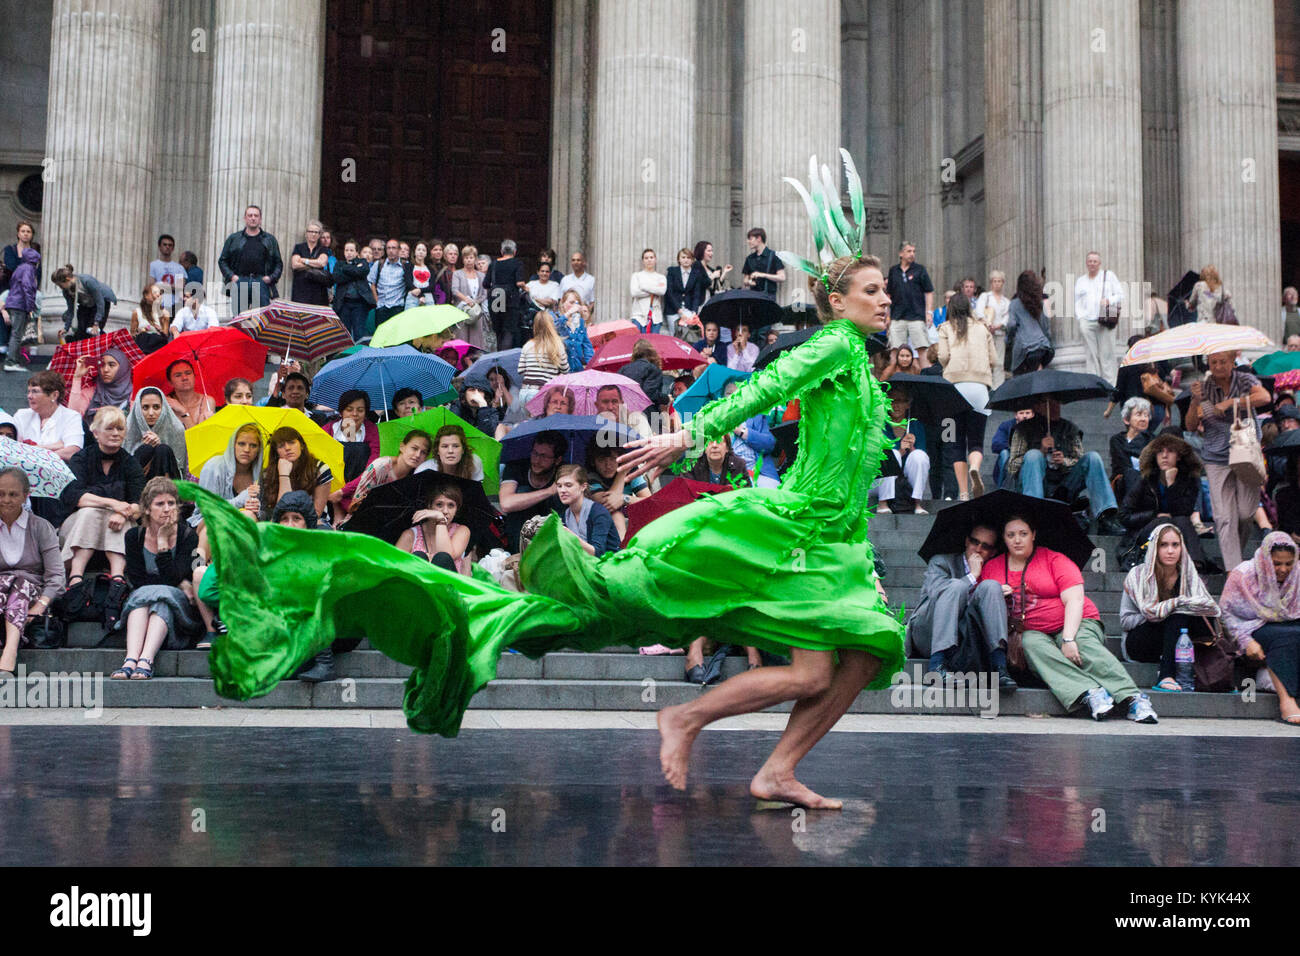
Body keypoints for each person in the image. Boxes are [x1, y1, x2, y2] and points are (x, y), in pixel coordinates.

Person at [189, 180, 905, 810]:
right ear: (836, 301)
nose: (884, 298)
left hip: (831, 540)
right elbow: (762, 387)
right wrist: (683, 437)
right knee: (699, 622)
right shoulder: (837, 343)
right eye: (870, 289)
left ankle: (769, 765)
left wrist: (858, 549)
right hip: (786, 529)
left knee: (851, 656)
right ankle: (687, 721)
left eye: (884, 290)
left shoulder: (866, 375)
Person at [980, 514, 1157, 723]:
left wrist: (1068, 638)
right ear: (1004, 538)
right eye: (1011, 535)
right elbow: (985, 604)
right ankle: (1090, 693)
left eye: (1023, 534)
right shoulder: (993, 568)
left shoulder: (1054, 559)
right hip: (1031, 631)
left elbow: (1074, 600)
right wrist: (996, 594)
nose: (1017, 540)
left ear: (1033, 535)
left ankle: (1132, 697)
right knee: (1029, 644)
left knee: (1082, 644)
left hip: (1077, 622)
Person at [58, 407, 146, 629]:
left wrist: (122, 511)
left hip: (118, 526)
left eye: (120, 428)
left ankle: (117, 578)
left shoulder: (129, 462)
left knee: (123, 519)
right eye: (110, 428)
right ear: (95, 432)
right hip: (78, 524)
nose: (116, 433)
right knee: (90, 511)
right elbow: (74, 496)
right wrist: (113, 503)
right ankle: (76, 576)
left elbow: (139, 503)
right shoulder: (81, 458)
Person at [1184, 350, 1272, 569]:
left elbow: (1264, 397)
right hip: (1216, 458)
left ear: (1233, 362)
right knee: (1224, 517)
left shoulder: (1244, 379)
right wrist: (1195, 399)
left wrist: (1232, 403)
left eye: (1223, 361)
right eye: (1213, 362)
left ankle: (1236, 557)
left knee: (1244, 514)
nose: (1218, 366)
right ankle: (1233, 570)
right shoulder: (1203, 387)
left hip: (1245, 453)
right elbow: (1190, 425)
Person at [110, 478, 202, 680]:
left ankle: (143, 659)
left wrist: (162, 543)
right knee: (154, 599)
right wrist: (175, 582)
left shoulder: (188, 536)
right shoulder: (134, 536)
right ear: (147, 509)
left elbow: (176, 577)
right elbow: (137, 579)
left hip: (180, 611)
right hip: (145, 604)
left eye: (171, 503)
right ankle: (134, 660)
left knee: (161, 596)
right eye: (160, 504)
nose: (167, 509)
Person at [907, 522, 1017, 690]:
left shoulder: (992, 570)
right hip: (928, 631)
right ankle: (936, 667)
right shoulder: (941, 561)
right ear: (966, 541)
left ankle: (999, 667)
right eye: (975, 542)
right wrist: (972, 576)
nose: (978, 549)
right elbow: (936, 594)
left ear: (993, 552)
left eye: (985, 546)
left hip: (963, 639)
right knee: (955, 586)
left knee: (992, 587)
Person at [1119, 523, 1221, 692]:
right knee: (1177, 615)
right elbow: (1125, 621)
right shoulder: (1138, 575)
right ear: (1154, 548)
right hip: (1141, 642)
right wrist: (1163, 613)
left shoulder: (1189, 576)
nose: (1170, 551)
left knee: (1187, 615)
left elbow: (1209, 607)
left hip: (1180, 639)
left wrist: (1175, 608)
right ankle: (1166, 675)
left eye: (1175, 545)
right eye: (1163, 545)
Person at [1006, 398, 1126, 535]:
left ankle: (1106, 515)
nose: (1055, 407)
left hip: (1063, 486)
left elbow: (1080, 460)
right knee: (1033, 456)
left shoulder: (1070, 429)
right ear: (1037, 407)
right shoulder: (1022, 429)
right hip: (1034, 487)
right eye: (1049, 403)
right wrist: (1040, 452)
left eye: (1057, 403)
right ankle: (1035, 515)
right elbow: (1012, 467)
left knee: (1093, 457)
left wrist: (1064, 461)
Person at [1219, 532, 1300, 725]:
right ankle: (1287, 702)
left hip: (1289, 623)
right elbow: (1226, 614)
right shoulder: (1243, 574)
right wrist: (1246, 641)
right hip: (1251, 628)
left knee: (1292, 633)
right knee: (1286, 636)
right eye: (1276, 563)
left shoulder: (1297, 575)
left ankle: (1269, 677)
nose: (1283, 569)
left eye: (1289, 563)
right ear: (1265, 559)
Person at [0, 467, 64, 680]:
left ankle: (9, 651)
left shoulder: (40, 527)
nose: (6, 500)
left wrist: (41, 605)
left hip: (32, 592)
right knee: (8, 583)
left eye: (13, 494)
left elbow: (56, 576)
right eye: (1, 494)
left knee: (20, 583)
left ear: (25, 496)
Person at [1120, 432, 1212, 569]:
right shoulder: (1146, 480)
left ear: (1179, 456)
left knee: (1181, 519)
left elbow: (1184, 511)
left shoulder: (1189, 480)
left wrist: (1171, 484)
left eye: (1170, 451)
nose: (1164, 456)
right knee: (1165, 521)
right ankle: (1195, 563)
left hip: (1177, 530)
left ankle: (1195, 564)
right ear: (1154, 456)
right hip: (1145, 533)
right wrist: (1153, 516)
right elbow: (1123, 515)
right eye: (1160, 452)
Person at [936, 292, 997, 499]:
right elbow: (994, 359)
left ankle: (963, 492)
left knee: (954, 443)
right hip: (980, 390)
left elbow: (942, 356)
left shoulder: (945, 328)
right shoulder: (982, 329)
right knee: (976, 441)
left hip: (953, 391)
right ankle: (975, 467)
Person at [337, 429, 433, 516]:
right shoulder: (381, 466)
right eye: (414, 448)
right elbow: (356, 504)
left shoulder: (417, 476)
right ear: (402, 446)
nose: (417, 455)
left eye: (423, 452)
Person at [217, 205, 283, 313]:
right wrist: (232, 277)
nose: (253, 218)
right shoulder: (234, 238)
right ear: (245, 218)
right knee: (240, 320)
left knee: (260, 319)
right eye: (250, 215)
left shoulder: (270, 240)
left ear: (260, 219)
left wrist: (270, 278)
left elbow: (278, 263)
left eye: (256, 216)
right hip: (241, 281)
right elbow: (223, 260)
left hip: (260, 282)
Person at [397, 482, 473, 574]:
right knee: (419, 556)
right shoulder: (410, 535)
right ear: (430, 506)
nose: (445, 511)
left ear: (456, 509)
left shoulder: (461, 530)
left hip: (448, 585)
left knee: (442, 558)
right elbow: (395, 567)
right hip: (418, 584)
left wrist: (440, 521)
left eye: (451, 505)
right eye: (439, 505)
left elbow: (446, 557)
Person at [260, 426, 332, 521]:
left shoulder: (320, 468)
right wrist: (284, 475)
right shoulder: (268, 474)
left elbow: (317, 513)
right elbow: (280, 511)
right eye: (281, 446)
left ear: (301, 445)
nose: (287, 448)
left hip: (315, 522)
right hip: (282, 522)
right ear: (276, 452)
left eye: (292, 442)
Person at [875, 390, 929, 515]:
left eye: (900, 401)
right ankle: (883, 503)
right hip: (879, 481)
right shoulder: (880, 425)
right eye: (892, 401)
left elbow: (922, 460)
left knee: (919, 455)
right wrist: (901, 451)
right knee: (890, 453)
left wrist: (912, 448)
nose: (896, 405)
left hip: (905, 480)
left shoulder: (915, 425)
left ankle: (917, 503)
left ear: (908, 405)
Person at [1074, 251, 1124, 382]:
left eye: (1095, 261)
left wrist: (1109, 300)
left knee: (1107, 354)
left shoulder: (1109, 276)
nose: (1092, 264)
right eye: (1090, 261)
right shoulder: (1081, 281)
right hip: (1087, 321)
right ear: (1086, 263)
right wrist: (1081, 318)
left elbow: (1120, 295)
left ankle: (1110, 384)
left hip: (1105, 320)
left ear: (1099, 263)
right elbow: (1077, 302)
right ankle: (1094, 383)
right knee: (1091, 354)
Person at [14, 370, 83, 462]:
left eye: (35, 391)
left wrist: (37, 452)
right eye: (29, 391)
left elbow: (73, 451)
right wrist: (56, 446)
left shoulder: (71, 417)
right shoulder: (21, 415)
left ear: (54, 395)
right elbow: (14, 448)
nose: (29, 396)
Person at [585, 443, 651, 539]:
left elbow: (650, 502)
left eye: (613, 459)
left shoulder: (631, 470)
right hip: (599, 522)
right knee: (615, 514)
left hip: (629, 517)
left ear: (620, 458)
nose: (608, 465)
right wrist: (622, 472)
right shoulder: (590, 475)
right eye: (601, 460)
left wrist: (625, 499)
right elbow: (607, 503)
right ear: (593, 462)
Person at [555, 464, 621, 557]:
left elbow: (598, 552)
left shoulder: (599, 512)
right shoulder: (564, 516)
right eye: (559, 486)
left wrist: (570, 536)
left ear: (583, 486)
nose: (562, 490)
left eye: (568, 485)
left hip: (609, 564)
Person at [127, 386, 188, 480]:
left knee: (163, 449)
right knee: (145, 449)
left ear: (163, 408)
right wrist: (143, 447)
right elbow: (122, 467)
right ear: (138, 409)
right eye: (145, 407)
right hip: (136, 483)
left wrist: (160, 444)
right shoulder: (128, 428)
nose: (151, 413)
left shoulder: (176, 428)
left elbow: (180, 467)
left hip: (169, 483)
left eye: (156, 407)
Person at [885, 241, 934, 356]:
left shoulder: (920, 269)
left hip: (917, 316)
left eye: (914, 251)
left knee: (922, 349)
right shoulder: (893, 271)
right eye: (909, 251)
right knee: (895, 351)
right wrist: (887, 316)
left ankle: (925, 374)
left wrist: (929, 313)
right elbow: (889, 295)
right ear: (901, 254)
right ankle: (896, 374)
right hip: (897, 317)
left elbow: (929, 292)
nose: (912, 254)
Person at [324, 389, 378, 485]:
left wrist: (347, 490)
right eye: (349, 410)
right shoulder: (327, 430)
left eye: (360, 410)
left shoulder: (372, 430)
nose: (355, 414)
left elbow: (372, 465)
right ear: (341, 412)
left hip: (361, 486)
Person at [68, 348, 133, 425]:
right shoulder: (90, 393)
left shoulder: (134, 394)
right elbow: (72, 417)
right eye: (102, 365)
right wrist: (77, 378)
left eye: (111, 365)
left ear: (123, 368)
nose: (105, 369)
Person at [517, 311, 570, 406]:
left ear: (535, 326)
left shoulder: (528, 345)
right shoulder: (557, 345)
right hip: (542, 392)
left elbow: (520, 370)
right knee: (544, 421)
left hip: (524, 392)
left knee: (529, 421)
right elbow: (565, 370)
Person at [51, 264, 116, 342]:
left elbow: (100, 302)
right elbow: (71, 310)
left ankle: (108, 341)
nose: (61, 288)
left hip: (101, 301)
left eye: (60, 285)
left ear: (68, 279)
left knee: (91, 331)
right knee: (80, 332)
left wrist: (96, 324)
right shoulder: (66, 291)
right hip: (86, 304)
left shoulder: (87, 281)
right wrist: (66, 328)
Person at [1006, 270, 1053, 374]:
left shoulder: (1014, 304)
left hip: (1024, 348)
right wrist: (1048, 342)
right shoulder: (1040, 302)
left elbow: (1011, 324)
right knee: (1037, 375)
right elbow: (1045, 326)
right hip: (1042, 346)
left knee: (1019, 377)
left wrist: (1008, 339)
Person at [1108, 396, 1154, 499]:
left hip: (1148, 485)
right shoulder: (1117, 440)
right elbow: (1123, 466)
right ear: (1126, 420)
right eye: (1139, 414)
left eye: (1146, 415)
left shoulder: (1153, 440)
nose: (1143, 419)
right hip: (1124, 486)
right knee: (1130, 473)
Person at [331, 239, 376, 342]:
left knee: (359, 333)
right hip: (344, 303)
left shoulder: (362, 262)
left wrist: (346, 269)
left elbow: (363, 271)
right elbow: (337, 278)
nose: (349, 253)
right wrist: (354, 271)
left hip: (359, 304)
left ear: (356, 253)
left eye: (351, 250)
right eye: (346, 250)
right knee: (344, 334)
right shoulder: (339, 264)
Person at [2, 247, 39, 371]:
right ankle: (11, 362)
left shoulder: (20, 268)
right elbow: (27, 287)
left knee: (16, 333)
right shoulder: (29, 269)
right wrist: (30, 306)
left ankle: (14, 361)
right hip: (20, 305)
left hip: (14, 303)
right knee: (17, 334)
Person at [486, 239, 527, 350]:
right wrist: (526, 288)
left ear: (501, 251)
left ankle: (498, 358)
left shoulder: (493, 264)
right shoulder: (517, 263)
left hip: (495, 297)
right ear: (514, 252)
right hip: (510, 298)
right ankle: (503, 359)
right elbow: (519, 283)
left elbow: (485, 284)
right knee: (508, 330)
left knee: (498, 331)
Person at [451, 243, 492, 350]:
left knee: (476, 340)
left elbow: (484, 294)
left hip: (476, 311)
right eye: (466, 258)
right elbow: (454, 290)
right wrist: (466, 300)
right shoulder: (457, 274)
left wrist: (475, 302)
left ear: (475, 259)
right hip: (462, 309)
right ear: (463, 259)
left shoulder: (481, 275)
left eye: (471, 257)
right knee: (461, 337)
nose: (469, 260)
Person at [974, 270, 1011, 388]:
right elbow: (979, 312)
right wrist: (988, 324)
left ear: (1003, 283)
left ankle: (998, 387)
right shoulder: (985, 297)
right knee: (986, 360)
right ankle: (985, 385)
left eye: (999, 281)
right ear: (991, 283)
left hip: (1000, 333)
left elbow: (1007, 317)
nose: (997, 284)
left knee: (999, 362)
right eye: (995, 281)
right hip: (986, 333)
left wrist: (999, 325)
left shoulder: (1006, 301)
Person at [368, 238, 414, 328]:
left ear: (399, 250)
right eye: (388, 248)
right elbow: (371, 283)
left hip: (398, 307)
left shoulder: (406, 265)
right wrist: (377, 301)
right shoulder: (379, 264)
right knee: (380, 338)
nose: (391, 251)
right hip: (382, 306)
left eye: (394, 248)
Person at [417, 424, 485, 482]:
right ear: (438, 450)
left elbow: (476, 492)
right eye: (445, 446)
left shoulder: (474, 462)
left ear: (463, 449)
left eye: (455, 446)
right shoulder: (425, 470)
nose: (450, 451)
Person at [664, 248, 708, 337]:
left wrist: (694, 311)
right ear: (679, 259)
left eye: (688, 257)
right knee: (674, 336)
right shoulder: (672, 271)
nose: (686, 260)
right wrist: (679, 310)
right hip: (673, 310)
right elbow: (669, 293)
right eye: (683, 257)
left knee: (688, 337)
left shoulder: (696, 274)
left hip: (689, 310)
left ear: (692, 260)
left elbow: (696, 294)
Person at [289, 220, 332, 306]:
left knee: (316, 318)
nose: (313, 234)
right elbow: (295, 265)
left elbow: (322, 263)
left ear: (319, 235)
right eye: (311, 231)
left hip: (318, 292)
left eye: (316, 232)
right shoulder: (299, 247)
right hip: (301, 290)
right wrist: (314, 264)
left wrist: (304, 260)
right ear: (306, 233)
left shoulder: (323, 249)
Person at [164, 359, 217, 428]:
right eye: (178, 375)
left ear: (194, 377)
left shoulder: (207, 401)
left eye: (188, 373)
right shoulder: (166, 404)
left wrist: (183, 412)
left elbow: (198, 436)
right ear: (170, 382)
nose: (184, 378)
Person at [552, 289, 594, 371]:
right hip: (561, 368)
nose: (575, 306)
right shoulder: (556, 318)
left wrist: (590, 367)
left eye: (577, 303)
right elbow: (555, 328)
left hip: (577, 367)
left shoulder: (580, 322)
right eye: (571, 303)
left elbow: (586, 346)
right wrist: (568, 313)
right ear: (563, 304)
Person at [686, 435, 751, 485]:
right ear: (704, 448)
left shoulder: (739, 465)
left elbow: (746, 495)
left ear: (727, 448)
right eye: (710, 442)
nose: (714, 445)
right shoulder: (692, 465)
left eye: (719, 441)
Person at [629, 249, 667, 334]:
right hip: (638, 316)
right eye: (646, 258)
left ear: (655, 259)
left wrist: (643, 286)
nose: (649, 260)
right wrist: (654, 290)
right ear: (643, 261)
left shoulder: (661, 277)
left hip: (655, 317)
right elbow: (635, 292)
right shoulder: (636, 276)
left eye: (651, 257)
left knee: (653, 345)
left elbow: (662, 291)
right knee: (638, 344)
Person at [149, 234, 189, 313]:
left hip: (174, 306)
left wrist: (161, 285)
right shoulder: (153, 265)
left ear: (173, 248)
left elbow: (179, 288)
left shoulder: (179, 268)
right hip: (157, 304)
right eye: (165, 245)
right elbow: (151, 286)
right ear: (159, 247)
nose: (167, 247)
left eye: (170, 245)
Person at [740, 227, 785, 297]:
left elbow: (782, 277)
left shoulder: (773, 256)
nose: (748, 241)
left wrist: (763, 275)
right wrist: (749, 282)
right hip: (752, 296)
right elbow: (745, 279)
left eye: (750, 239)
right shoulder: (749, 258)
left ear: (759, 239)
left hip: (768, 297)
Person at [130, 281, 171, 354]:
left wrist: (160, 330)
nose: (158, 295)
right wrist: (140, 332)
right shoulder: (137, 312)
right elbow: (132, 334)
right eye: (154, 292)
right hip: (142, 348)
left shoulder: (164, 313)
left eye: (160, 293)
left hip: (157, 350)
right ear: (146, 295)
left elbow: (166, 335)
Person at [403, 241, 434, 311]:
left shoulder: (431, 269)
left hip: (428, 298)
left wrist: (420, 291)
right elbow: (408, 282)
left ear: (426, 253)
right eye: (419, 249)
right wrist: (420, 296)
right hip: (412, 298)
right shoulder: (409, 266)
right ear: (414, 252)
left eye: (423, 250)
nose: (421, 252)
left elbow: (432, 286)